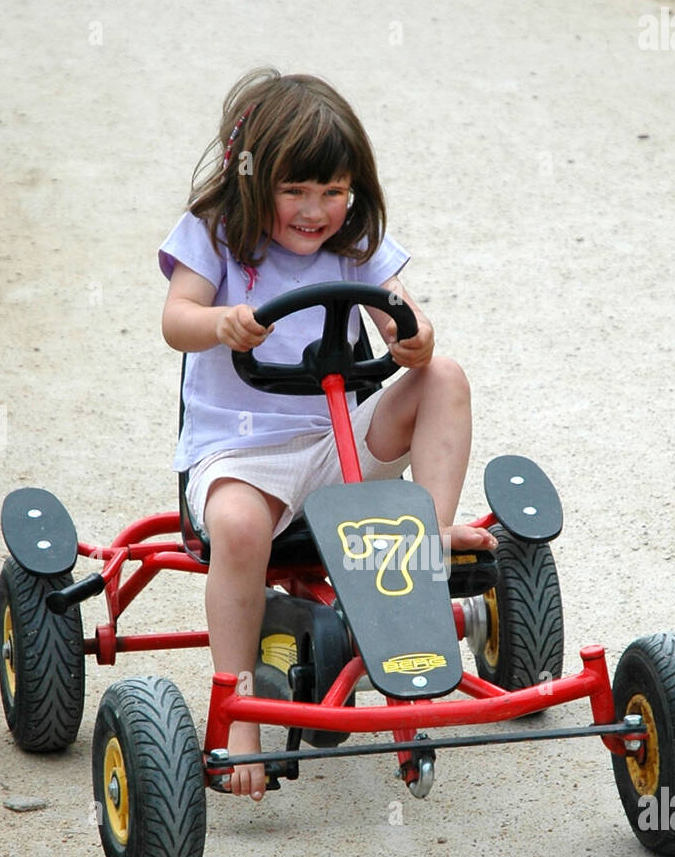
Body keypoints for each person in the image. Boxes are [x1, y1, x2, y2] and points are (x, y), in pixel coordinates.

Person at [160, 67, 495, 801]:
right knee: (241, 532)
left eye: (334, 192)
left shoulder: (355, 244)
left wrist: (414, 337)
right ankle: (239, 710)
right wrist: (220, 321)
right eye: (297, 191)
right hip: (241, 455)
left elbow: (406, 316)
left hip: (337, 446)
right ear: (254, 182)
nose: (316, 212)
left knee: (447, 378)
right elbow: (175, 319)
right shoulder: (216, 238)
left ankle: (429, 533)